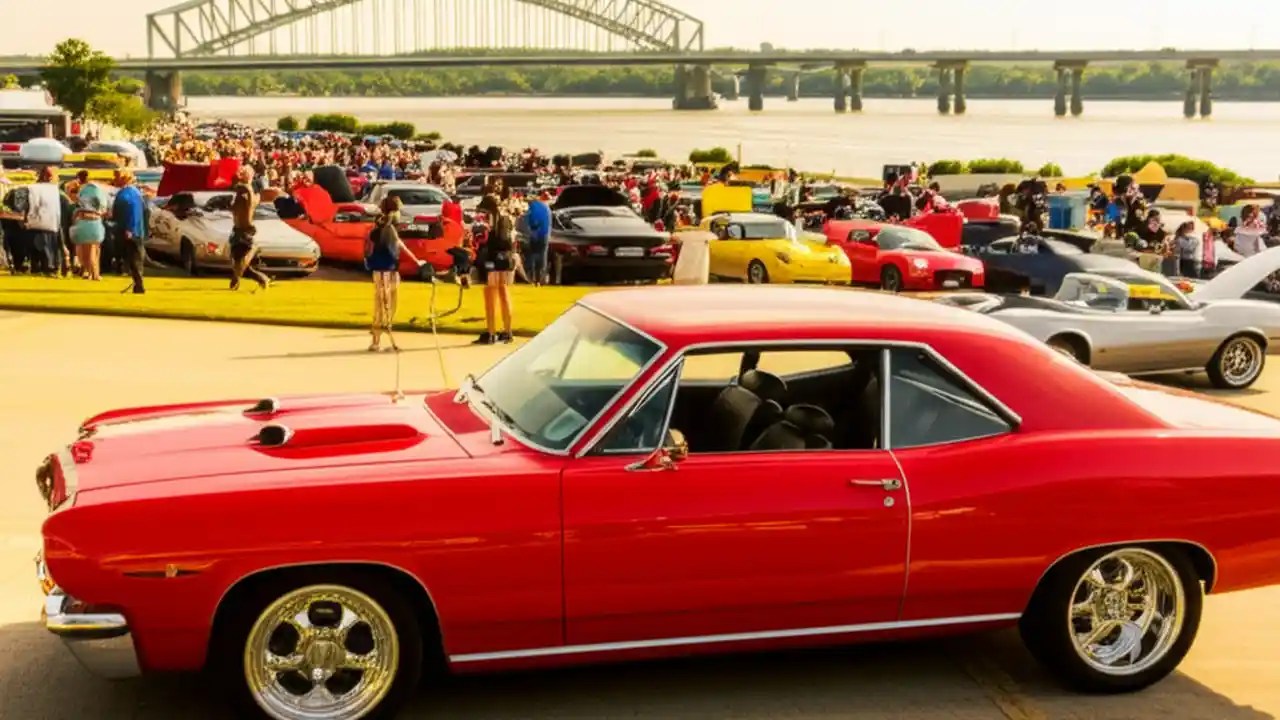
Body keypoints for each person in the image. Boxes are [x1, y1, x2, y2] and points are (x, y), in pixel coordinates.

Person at [364, 196, 424, 352]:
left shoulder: (380, 228)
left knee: (381, 304)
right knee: (387, 305)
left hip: (382, 270)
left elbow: (371, 247)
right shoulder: (388, 228)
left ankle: (377, 340)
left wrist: (416, 260)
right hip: (387, 269)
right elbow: (400, 245)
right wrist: (416, 261)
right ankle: (386, 340)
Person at [474, 193, 515, 345]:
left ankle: (491, 332)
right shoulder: (507, 218)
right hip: (506, 257)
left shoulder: (489, 220)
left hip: (493, 257)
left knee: (490, 294)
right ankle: (508, 331)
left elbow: (483, 240)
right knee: (504, 292)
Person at [229, 168, 269, 291]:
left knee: (240, 261)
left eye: (244, 172)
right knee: (237, 261)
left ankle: (238, 279)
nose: (241, 174)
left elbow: (247, 205)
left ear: (249, 176)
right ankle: (261, 279)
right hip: (238, 229)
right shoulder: (243, 191)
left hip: (243, 229)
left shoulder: (245, 189)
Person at [111, 172, 147, 294]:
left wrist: (130, 229)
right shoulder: (133, 193)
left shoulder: (129, 194)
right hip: (133, 230)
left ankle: (139, 284)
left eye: (116, 177)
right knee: (133, 258)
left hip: (131, 231)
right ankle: (137, 283)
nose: (114, 179)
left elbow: (133, 211)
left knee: (134, 258)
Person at [25, 167, 62, 277]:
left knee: (43, 249)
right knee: (43, 249)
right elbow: (34, 205)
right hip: (44, 223)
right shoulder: (38, 188)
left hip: (46, 223)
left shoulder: (52, 189)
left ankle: (43, 268)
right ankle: (43, 268)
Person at [70, 178, 107, 280]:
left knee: (85, 250)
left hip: (83, 223)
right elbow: (104, 209)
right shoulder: (100, 194)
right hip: (96, 223)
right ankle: (94, 273)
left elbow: (76, 207)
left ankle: (90, 272)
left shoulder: (82, 194)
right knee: (94, 249)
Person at [524, 191, 551, 286]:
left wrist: (532, 230)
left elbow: (532, 221)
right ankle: (540, 279)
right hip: (544, 234)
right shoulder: (546, 208)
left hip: (535, 234)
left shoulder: (533, 206)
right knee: (543, 256)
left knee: (533, 256)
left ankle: (533, 278)